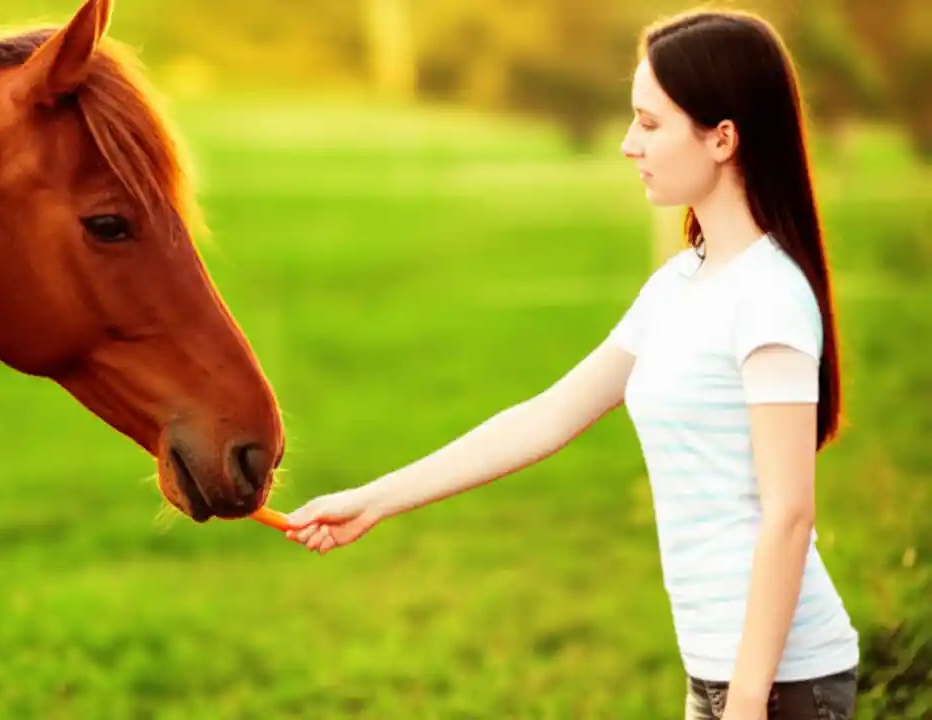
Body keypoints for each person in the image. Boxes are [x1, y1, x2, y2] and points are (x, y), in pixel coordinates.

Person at [284, 9, 859, 719]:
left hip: (785, 682)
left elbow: (790, 515)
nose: (627, 145)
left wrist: (743, 701)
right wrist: (371, 501)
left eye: (649, 124)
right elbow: (544, 419)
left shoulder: (768, 297)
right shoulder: (680, 286)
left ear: (722, 138)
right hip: (718, 673)